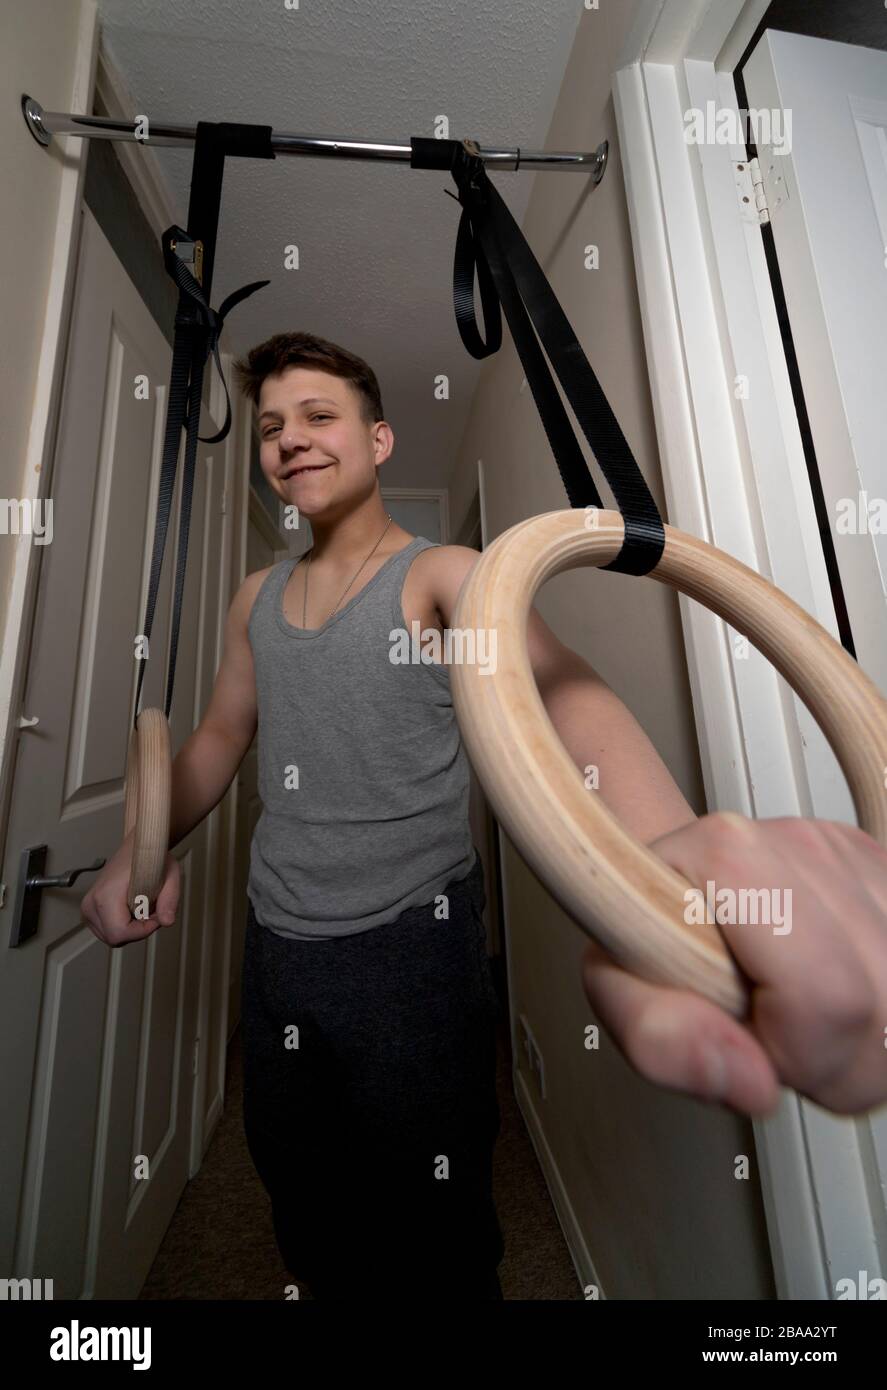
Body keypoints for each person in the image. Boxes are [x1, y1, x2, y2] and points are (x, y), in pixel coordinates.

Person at [82, 331, 887, 1300]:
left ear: (378, 440)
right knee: (299, 1185)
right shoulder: (254, 596)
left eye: (318, 415)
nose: (289, 439)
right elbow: (216, 739)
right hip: (279, 939)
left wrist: (668, 871)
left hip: (409, 942)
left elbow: (567, 702)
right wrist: (144, 842)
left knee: (436, 1206)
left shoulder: (443, 575)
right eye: (269, 428)